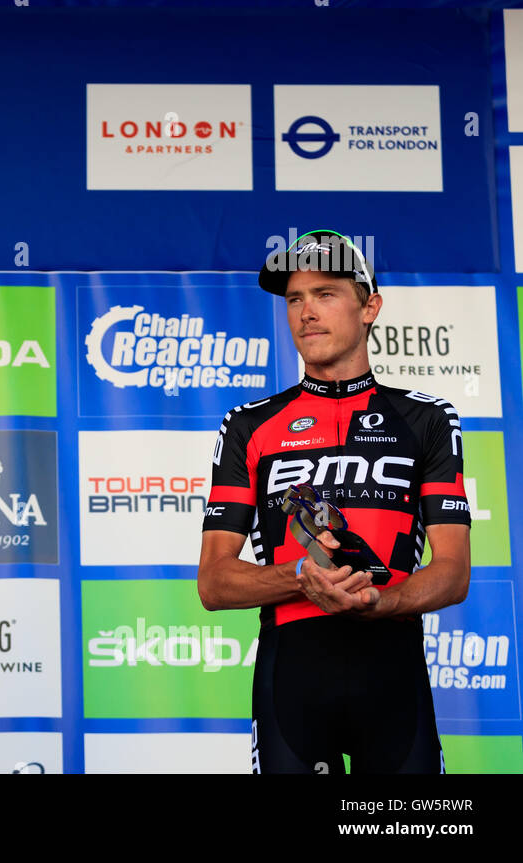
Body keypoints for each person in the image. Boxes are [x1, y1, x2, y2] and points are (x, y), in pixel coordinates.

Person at [198, 230, 472, 774]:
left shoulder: (427, 420)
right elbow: (214, 583)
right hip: (292, 675)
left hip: (392, 668)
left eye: (325, 294)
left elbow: (453, 571)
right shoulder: (247, 425)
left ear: (370, 307)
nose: (306, 313)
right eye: (295, 299)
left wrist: (381, 602)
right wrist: (302, 575)